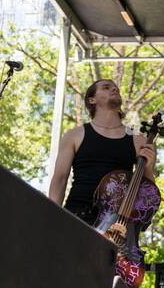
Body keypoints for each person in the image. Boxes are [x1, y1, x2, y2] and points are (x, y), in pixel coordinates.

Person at [48, 78, 157, 225]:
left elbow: (147, 191)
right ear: (91, 100)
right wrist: (51, 216)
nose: (114, 89)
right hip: (77, 215)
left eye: (116, 87)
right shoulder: (75, 135)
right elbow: (60, 179)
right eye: (106, 87)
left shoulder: (137, 139)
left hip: (116, 223)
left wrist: (148, 167)